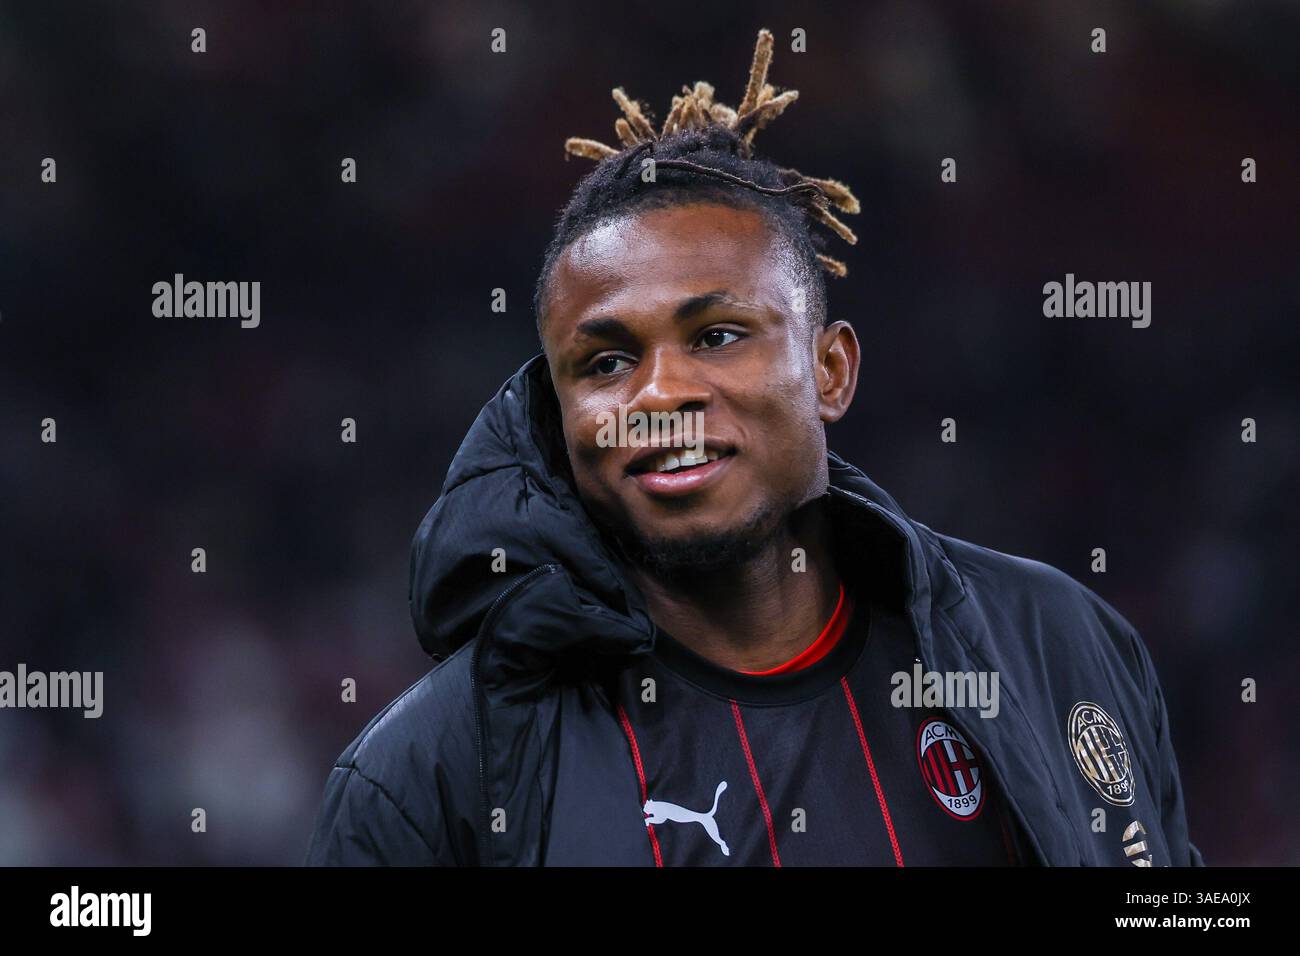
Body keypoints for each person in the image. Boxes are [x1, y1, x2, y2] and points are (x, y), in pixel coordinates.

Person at [305, 29, 1201, 867]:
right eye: (607, 361)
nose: (661, 393)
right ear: (562, 417)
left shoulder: (1057, 644)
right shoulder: (429, 774)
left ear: (832, 371)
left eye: (718, 335)